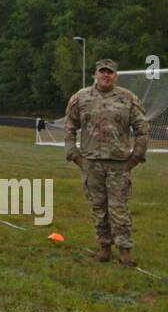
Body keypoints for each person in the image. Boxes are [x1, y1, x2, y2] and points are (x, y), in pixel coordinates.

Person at [63, 59, 148, 266]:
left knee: (119, 208)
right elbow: (69, 127)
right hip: (91, 163)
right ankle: (104, 247)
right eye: (102, 72)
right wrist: (74, 155)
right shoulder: (81, 98)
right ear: (95, 74)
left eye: (110, 72)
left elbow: (142, 129)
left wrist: (136, 156)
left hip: (119, 163)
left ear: (115, 76)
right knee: (98, 207)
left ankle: (125, 250)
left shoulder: (128, 98)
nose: (106, 75)